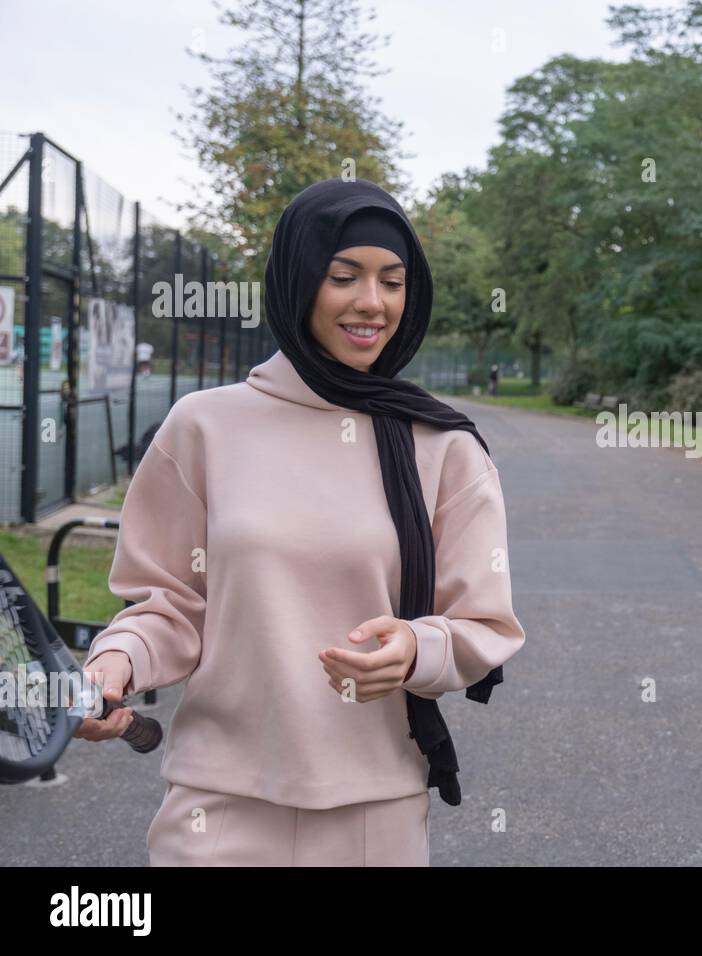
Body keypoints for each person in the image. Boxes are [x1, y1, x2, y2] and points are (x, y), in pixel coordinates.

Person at [75, 178, 526, 866]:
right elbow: (168, 603)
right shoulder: (204, 426)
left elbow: (484, 624)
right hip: (217, 806)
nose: (372, 303)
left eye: (393, 281)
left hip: (375, 811)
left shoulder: (445, 446)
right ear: (297, 280)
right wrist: (114, 663)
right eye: (344, 276)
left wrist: (416, 647)